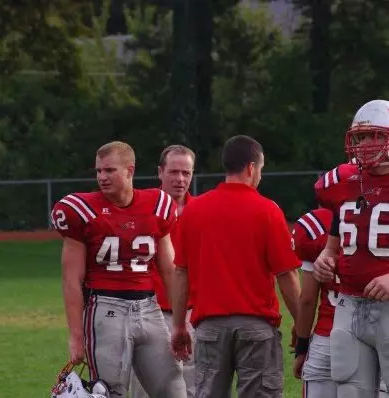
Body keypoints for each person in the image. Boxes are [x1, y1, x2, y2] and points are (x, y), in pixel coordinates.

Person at [50, 141, 186, 398]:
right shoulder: (81, 209)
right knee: (109, 392)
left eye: (110, 170)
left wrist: (179, 324)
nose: (102, 177)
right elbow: (71, 278)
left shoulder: (158, 204)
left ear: (129, 171)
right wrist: (76, 337)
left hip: (149, 308)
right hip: (104, 308)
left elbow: (170, 270)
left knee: (173, 389)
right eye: (99, 171)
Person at [171, 135, 301, 398]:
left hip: (209, 327)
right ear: (252, 167)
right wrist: (302, 322)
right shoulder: (267, 210)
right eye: (261, 170)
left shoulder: (195, 212)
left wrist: (178, 326)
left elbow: (181, 273)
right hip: (256, 326)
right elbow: (286, 274)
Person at [314, 99, 389, 398]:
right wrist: (325, 256)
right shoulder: (343, 181)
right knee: (350, 391)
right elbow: (337, 235)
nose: (367, 144)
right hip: (348, 303)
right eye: (361, 137)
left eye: (376, 136)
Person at [130, 145, 196, 398]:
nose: (180, 179)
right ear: (160, 172)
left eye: (186, 173)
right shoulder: (140, 206)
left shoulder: (200, 210)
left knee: (192, 388)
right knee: (146, 390)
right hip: (150, 312)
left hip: (191, 313)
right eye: (174, 172)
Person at [291, 207, 339, 398]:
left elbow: (308, 299)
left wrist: (302, 346)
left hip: (328, 335)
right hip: (378, 334)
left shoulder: (315, 225)